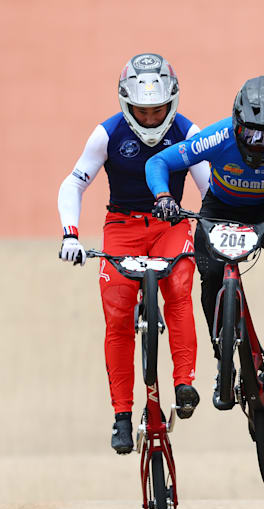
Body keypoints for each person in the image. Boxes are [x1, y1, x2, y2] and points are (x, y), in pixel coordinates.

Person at [145, 75, 264, 409]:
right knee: (210, 274)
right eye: (251, 133)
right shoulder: (218, 136)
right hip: (220, 208)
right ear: (236, 124)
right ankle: (221, 359)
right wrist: (163, 196)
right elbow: (158, 161)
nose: (260, 143)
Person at [56, 53, 210, 454]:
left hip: (171, 225)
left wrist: (214, 228)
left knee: (179, 290)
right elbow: (73, 183)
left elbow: (209, 189)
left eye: (158, 110)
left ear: (172, 102)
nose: (151, 118)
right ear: (127, 104)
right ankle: (121, 415)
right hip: (122, 228)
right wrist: (70, 235)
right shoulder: (106, 134)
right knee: (118, 315)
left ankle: (184, 382)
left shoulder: (188, 132)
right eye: (142, 111)